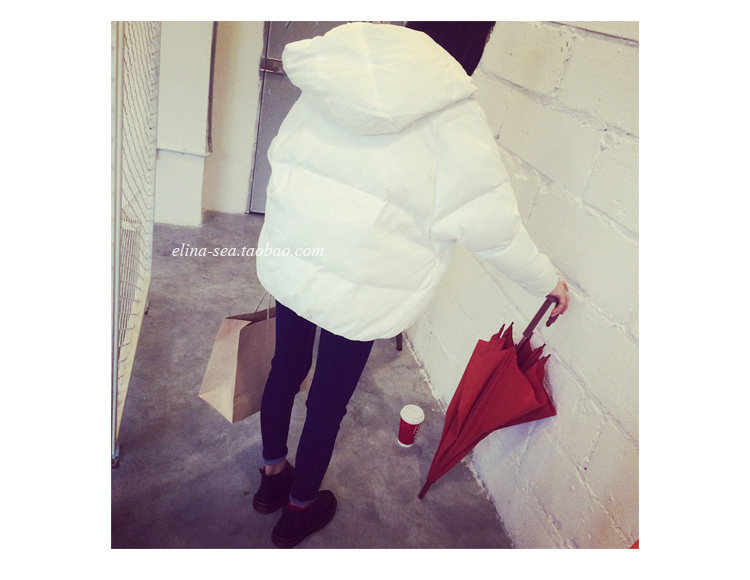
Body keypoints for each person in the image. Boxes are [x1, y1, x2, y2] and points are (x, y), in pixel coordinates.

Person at [252, 21, 570, 549]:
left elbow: (283, 155)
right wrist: (546, 280)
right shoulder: (453, 112)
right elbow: (491, 224)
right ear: (475, 41)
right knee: (326, 403)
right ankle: (298, 511)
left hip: (299, 256)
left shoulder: (342, 66)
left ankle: (270, 479)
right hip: (365, 286)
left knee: (284, 369)